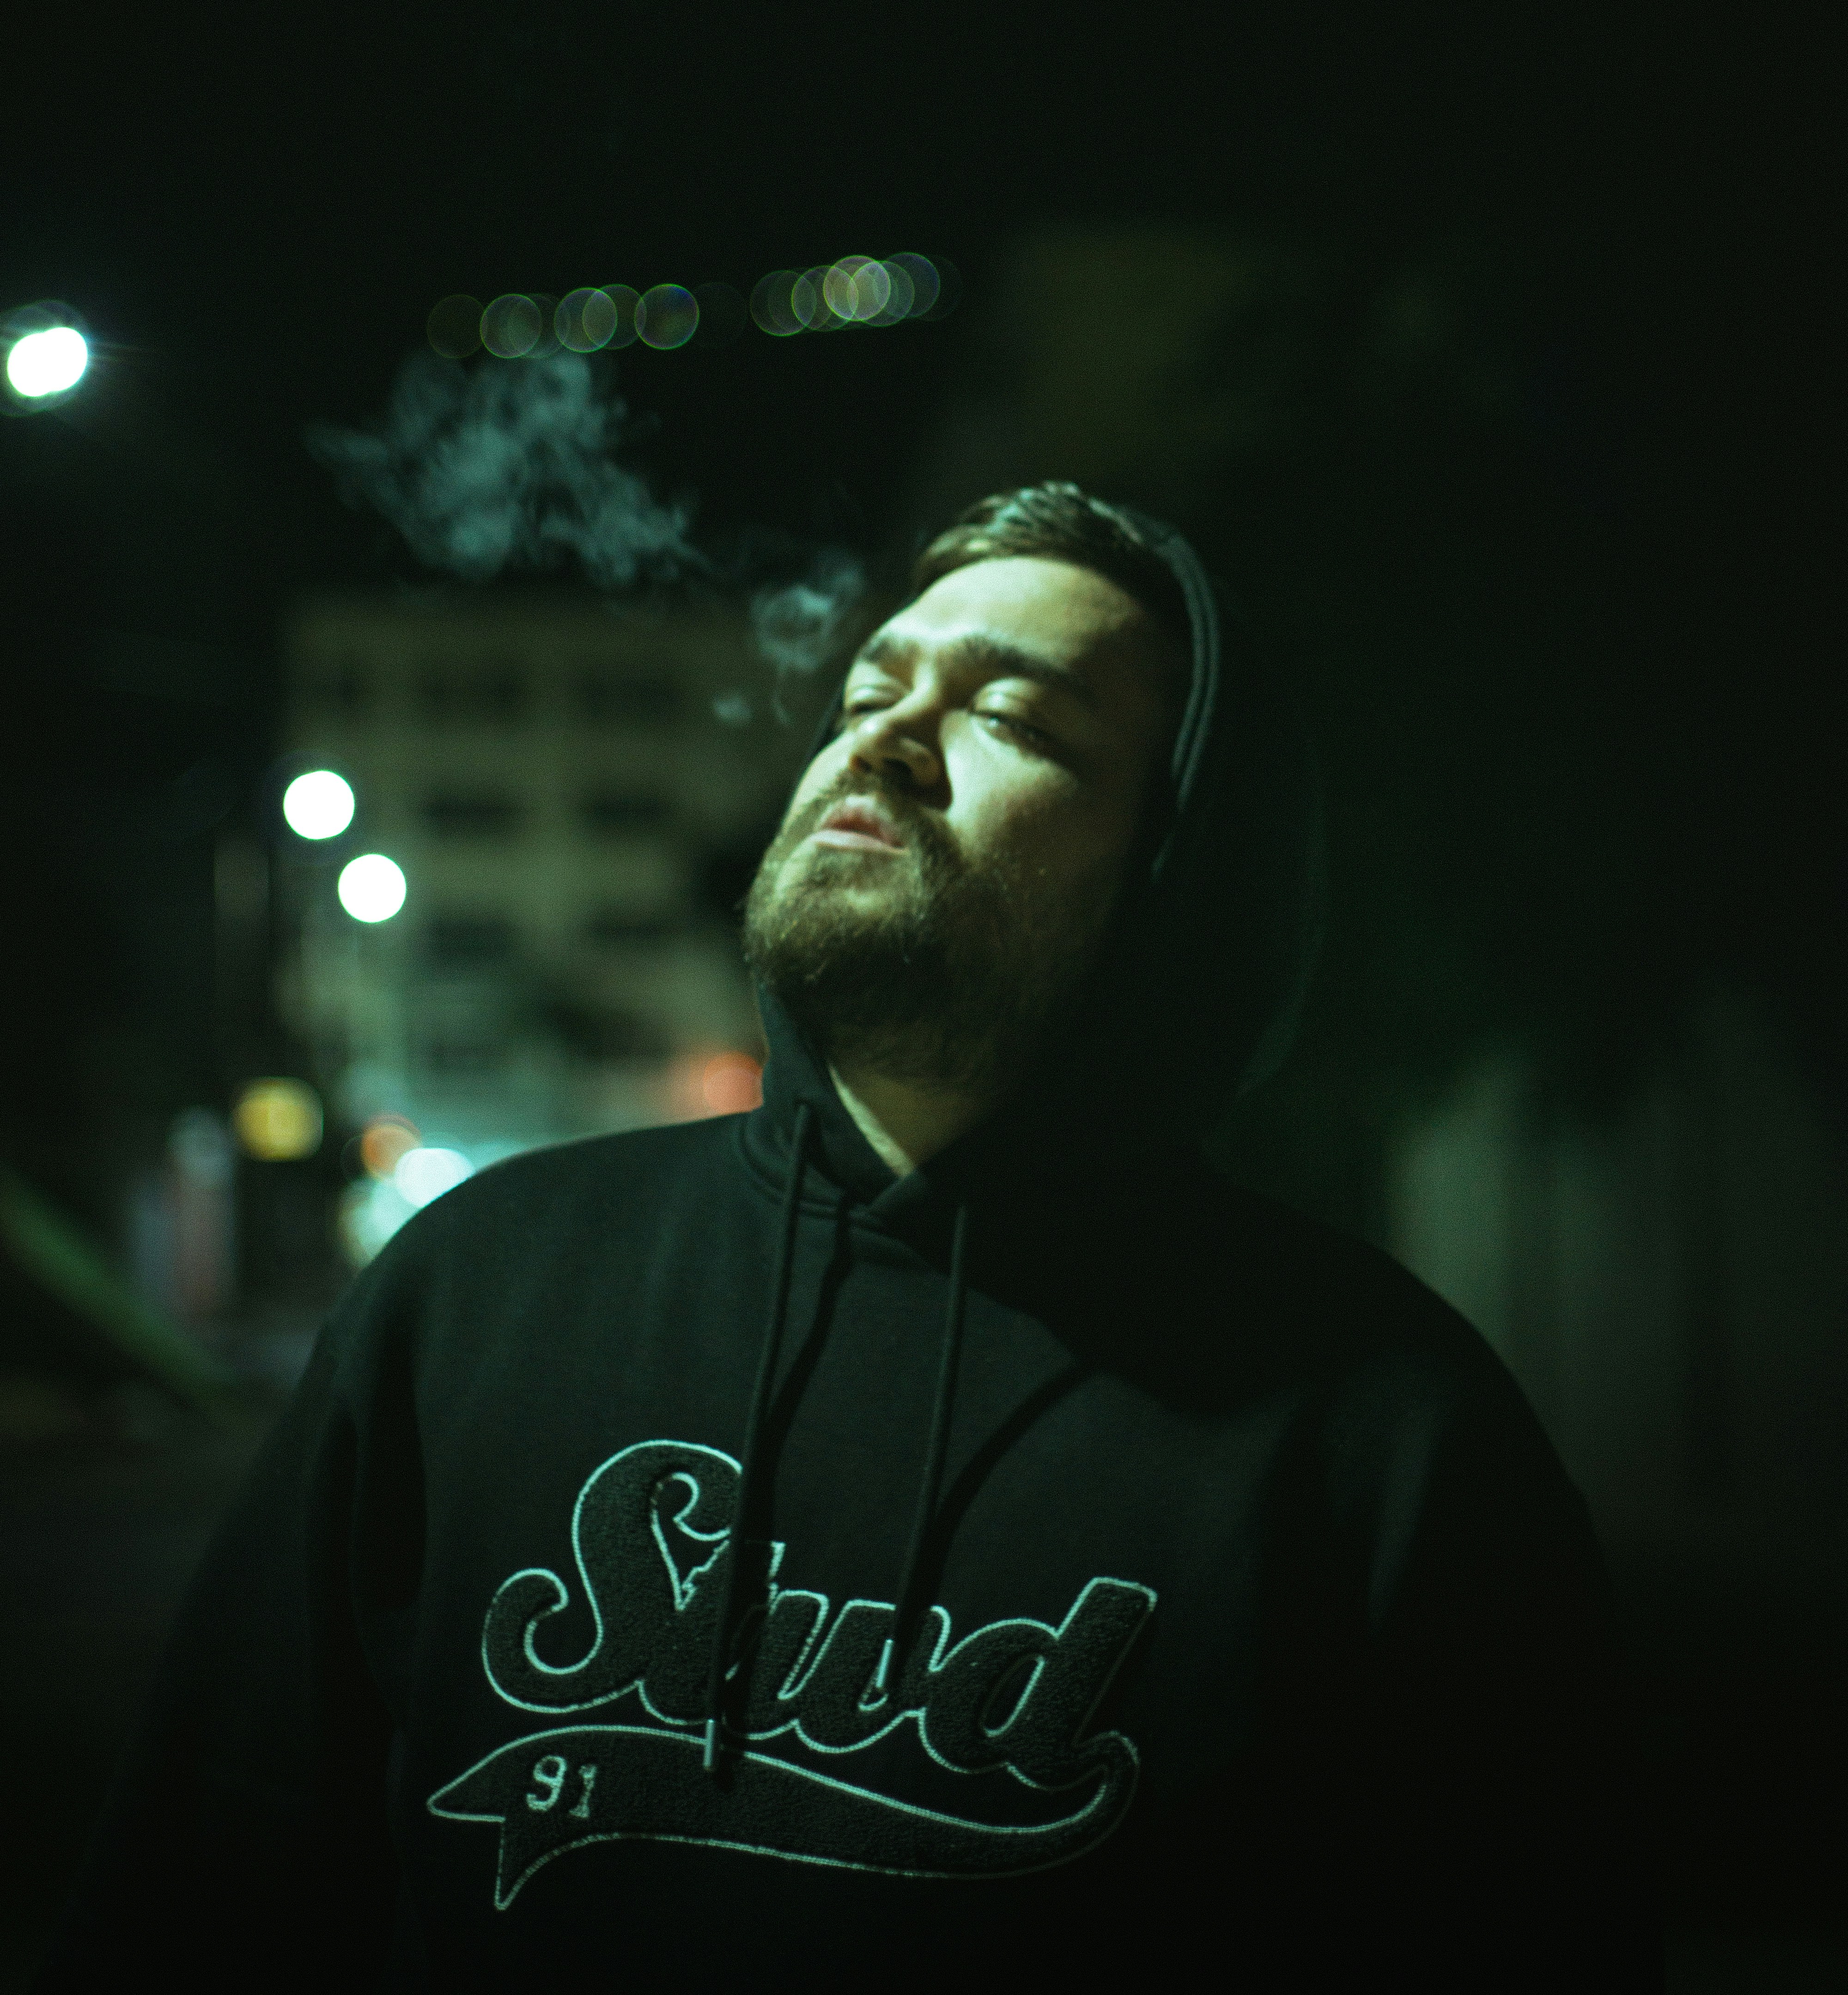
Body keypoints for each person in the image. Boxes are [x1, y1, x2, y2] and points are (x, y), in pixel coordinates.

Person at [38, 483, 1661, 1990]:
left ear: (1180, 880)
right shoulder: (475, 1294)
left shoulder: (1381, 1437)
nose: (885, 738)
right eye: (873, 689)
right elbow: (200, 1894)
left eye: (1013, 716)